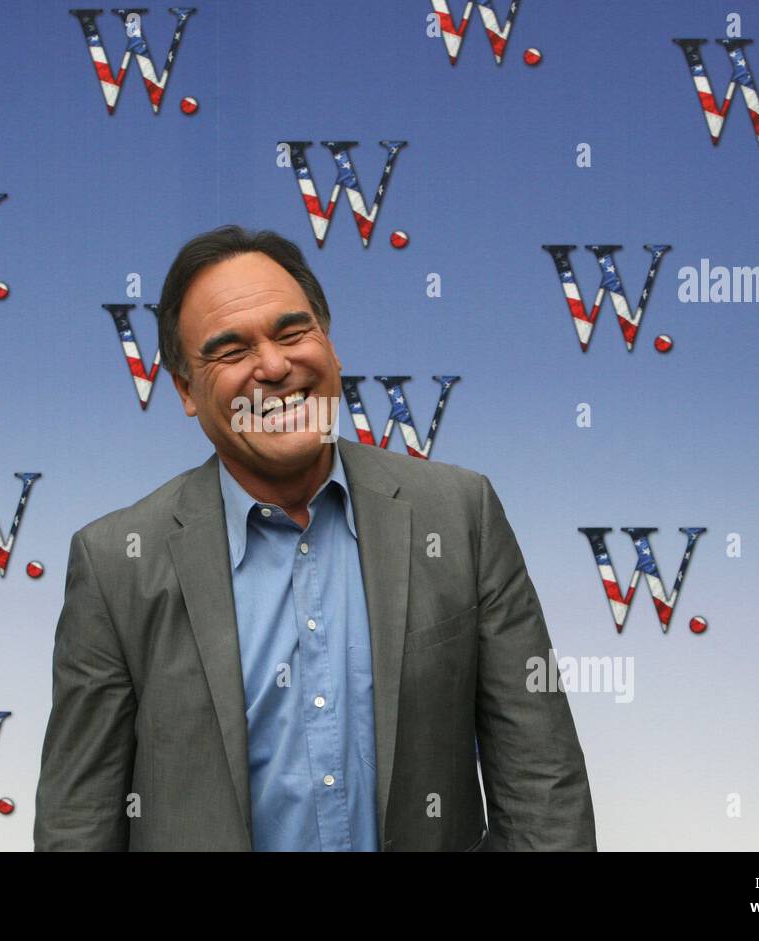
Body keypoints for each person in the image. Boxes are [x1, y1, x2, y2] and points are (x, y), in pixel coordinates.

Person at [34, 225, 595, 851]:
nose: (274, 366)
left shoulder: (460, 515)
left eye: (293, 331)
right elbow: (78, 825)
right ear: (186, 391)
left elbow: (542, 786)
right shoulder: (116, 564)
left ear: (330, 343)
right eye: (230, 349)